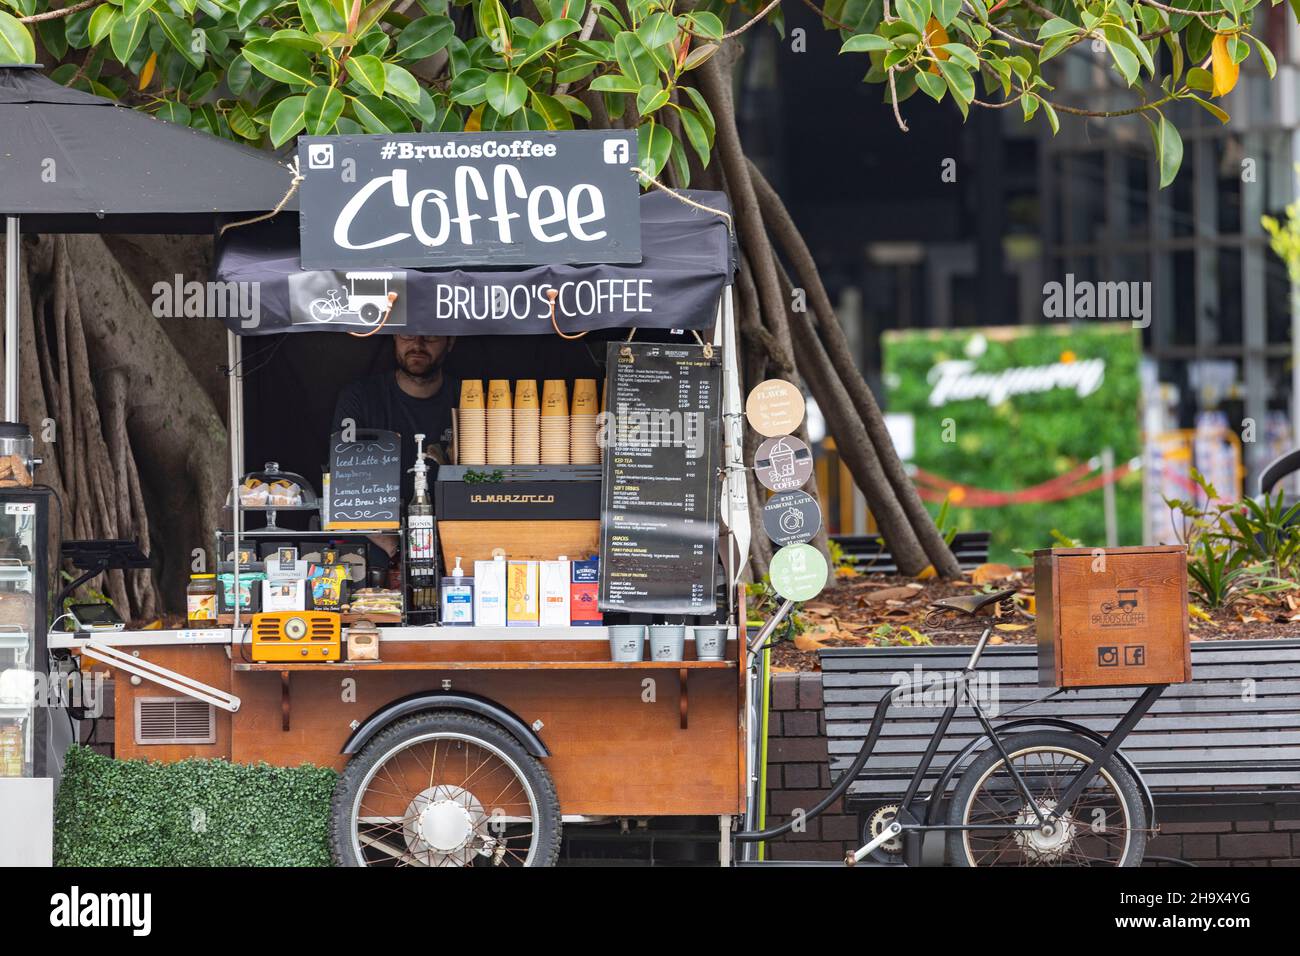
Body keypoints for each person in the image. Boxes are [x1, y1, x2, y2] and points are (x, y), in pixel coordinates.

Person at [332, 334, 458, 503]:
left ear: (450, 341)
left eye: (430, 335)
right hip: (378, 523)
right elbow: (345, 479)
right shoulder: (360, 397)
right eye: (407, 334)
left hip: (458, 523)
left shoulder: (469, 399)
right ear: (394, 337)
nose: (417, 344)